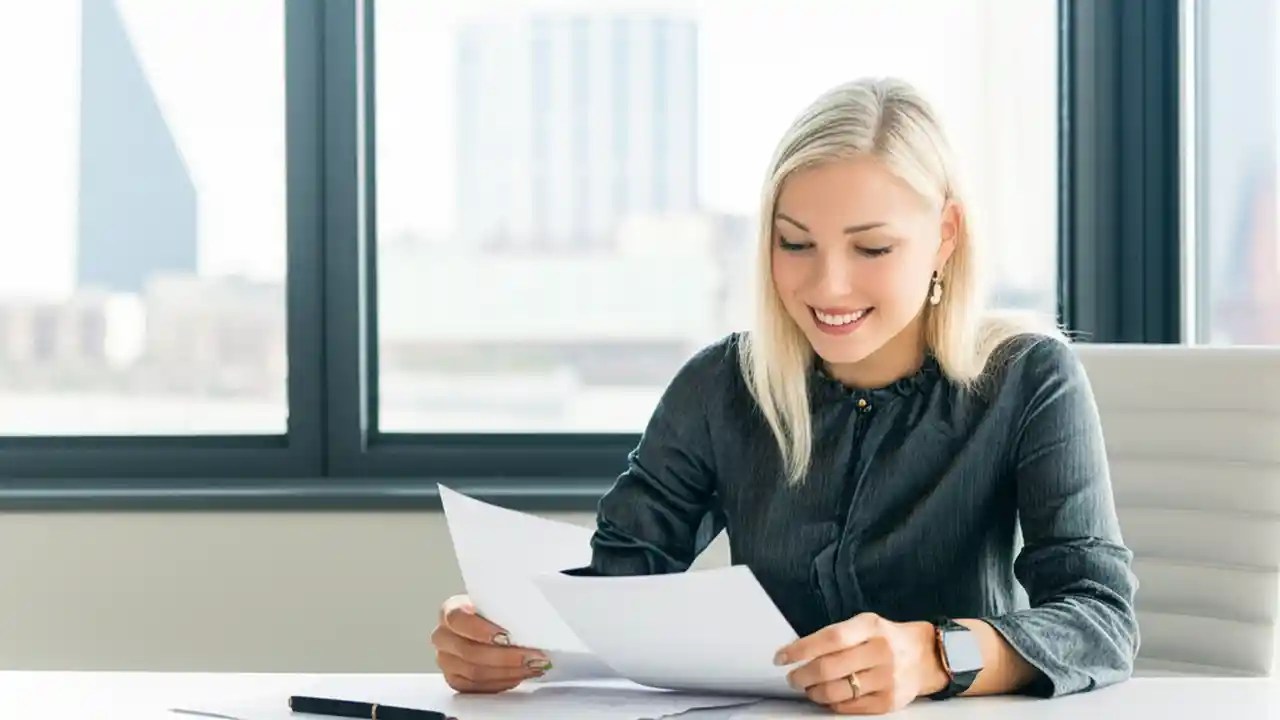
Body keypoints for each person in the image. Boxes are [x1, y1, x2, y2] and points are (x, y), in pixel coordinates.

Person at [430, 77, 1139, 715]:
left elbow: (1099, 619)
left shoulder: (1027, 379)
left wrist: (933, 656)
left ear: (944, 236)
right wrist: (506, 631)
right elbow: (617, 586)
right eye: (795, 244)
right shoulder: (720, 385)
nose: (827, 287)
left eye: (872, 249)